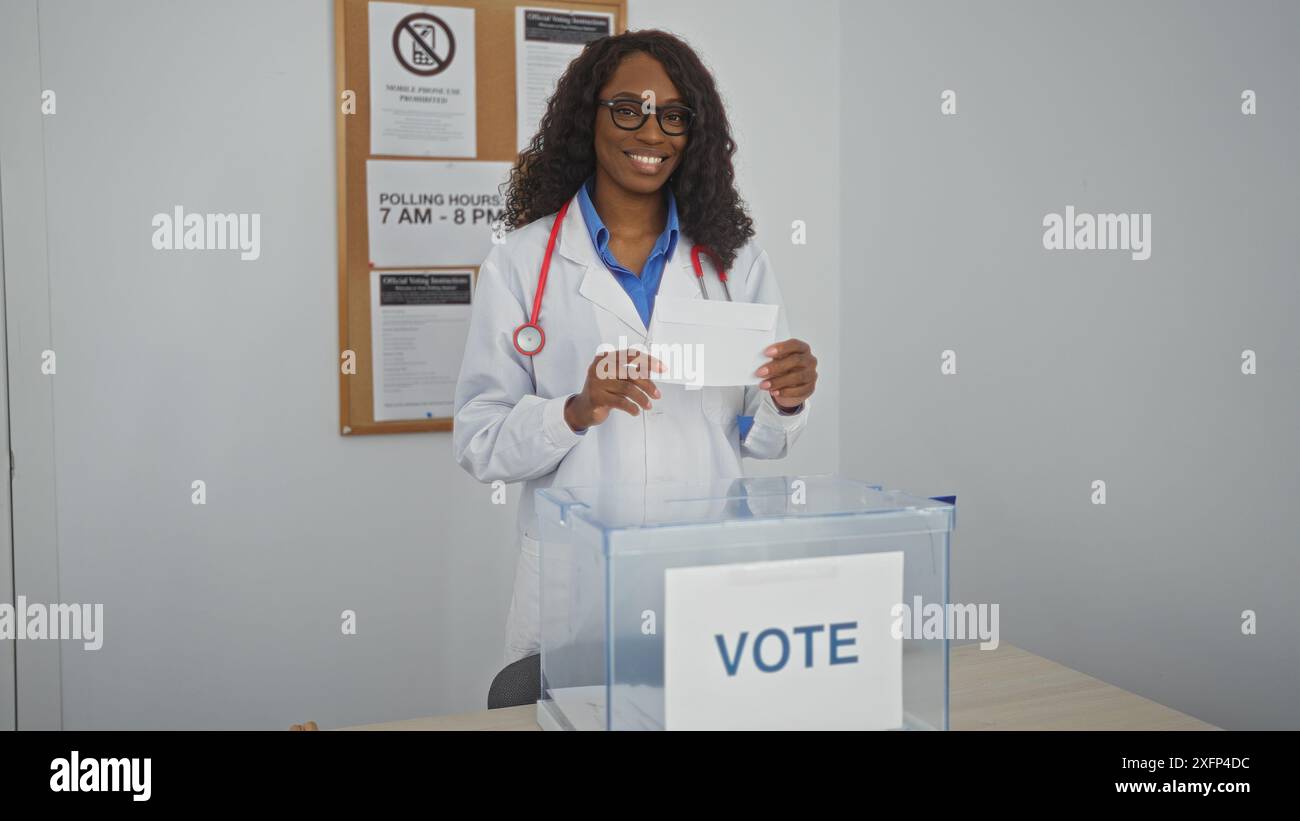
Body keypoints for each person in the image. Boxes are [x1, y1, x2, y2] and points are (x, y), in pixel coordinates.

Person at [453, 30, 819, 663]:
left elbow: (761, 439)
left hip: (705, 571)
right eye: (629, 109)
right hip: (580, 585)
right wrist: (575, 410)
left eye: (673, 116)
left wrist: (788, 398)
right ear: (587, 118)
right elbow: (480, 441)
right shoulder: (520, 264)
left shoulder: (734, 263)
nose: (652, 134)